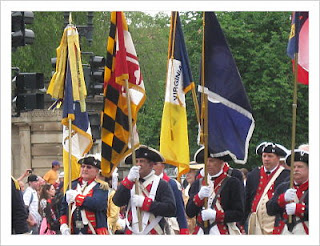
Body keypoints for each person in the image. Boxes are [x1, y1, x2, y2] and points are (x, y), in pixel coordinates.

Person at [112, 145, 176, 235]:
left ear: (151, 165)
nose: (138, 164)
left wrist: (146, 204)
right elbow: (117, 201)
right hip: (132, 232)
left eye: (142, 161)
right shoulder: (130, 183)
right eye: (136, 161)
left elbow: (171, 209)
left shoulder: (161, 184)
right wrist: (128, 180)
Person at [186, 146, 244, 235]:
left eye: (212, 161)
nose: (208, 164)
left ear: (221, 162)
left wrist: (216, 215)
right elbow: (189, 212)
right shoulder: (197, 183)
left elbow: (239, 214)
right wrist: (199, 197)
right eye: (206, 161)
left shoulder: (232, 183)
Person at [245, 142, 290, 235]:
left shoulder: (286, 175)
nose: (266, 159)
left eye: (270, 156)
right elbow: (247, 198)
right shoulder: (253, 174)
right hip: (255, 220)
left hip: (275, 220)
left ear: (278, 158)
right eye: (264, 156)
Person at [59, 155, 109, 235]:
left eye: (89, 167)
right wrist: (64, 224)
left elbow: (97, 204)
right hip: (74, 230)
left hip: (93, 231)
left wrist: (77, 197)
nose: (85, 169)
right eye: (83, 166)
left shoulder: (101, 186)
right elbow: (64, 206)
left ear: (96, 171)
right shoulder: (73, 185)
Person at [266, 149, 309, 234]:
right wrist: (282, 199)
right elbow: (270, 210)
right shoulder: (284, 187)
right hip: (285, 231)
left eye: (300, 167)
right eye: (293, 167)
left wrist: (299, 209)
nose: (296, 169)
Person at [153, 161, 189, 234]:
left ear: (163, 166)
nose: (153, 166)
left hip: (168, 226)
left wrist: (183, 229)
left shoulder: (171, 184)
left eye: (155, 163)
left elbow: (179, 208)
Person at [182, 161, 204, 234]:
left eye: (191, 172)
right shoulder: (183, 192)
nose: (187, 175)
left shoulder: (204, 191)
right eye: (186, 172)